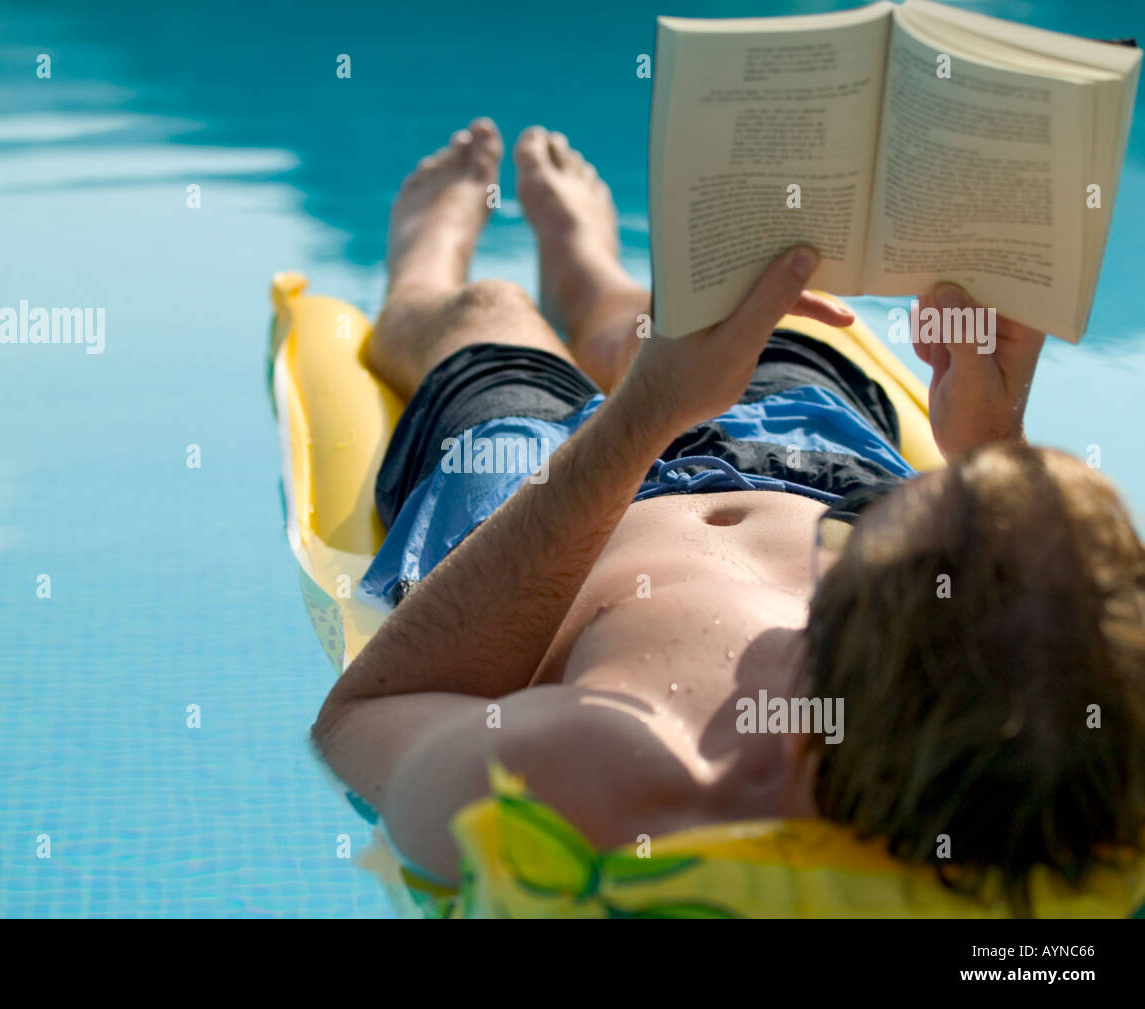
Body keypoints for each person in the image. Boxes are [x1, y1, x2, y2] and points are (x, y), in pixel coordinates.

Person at [312, 119, 1145, 904]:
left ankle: (425, 266)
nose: (940, 474)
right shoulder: (975, 688)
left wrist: (643, 416)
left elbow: (356, 722)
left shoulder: (604, 772)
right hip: (812, 464)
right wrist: (991, 442)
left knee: (484, 313)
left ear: (836, 641)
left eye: (919, 508)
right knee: (659, 321)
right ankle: (585, 264)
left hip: (533, 518)